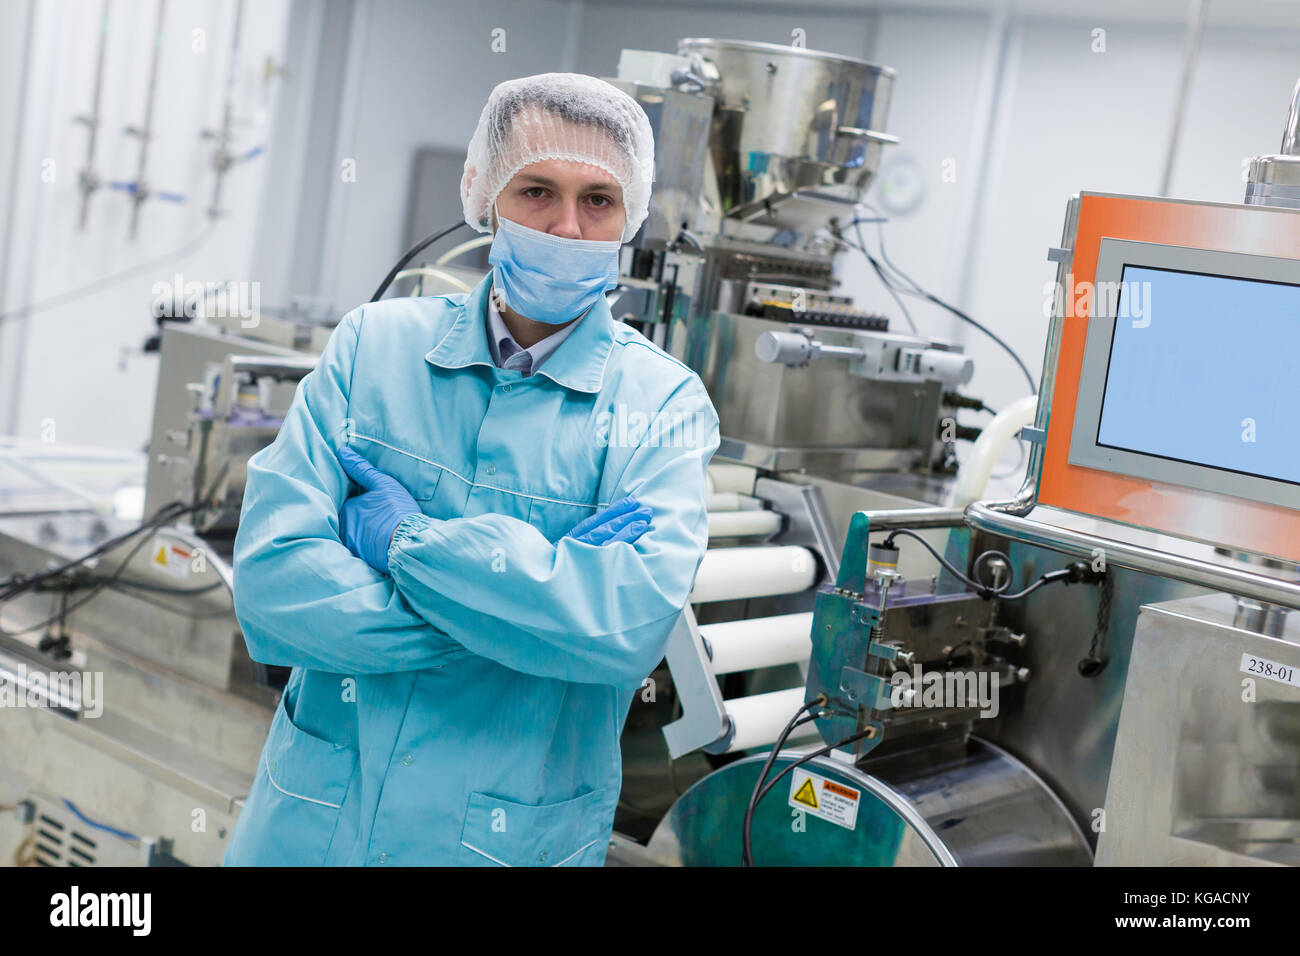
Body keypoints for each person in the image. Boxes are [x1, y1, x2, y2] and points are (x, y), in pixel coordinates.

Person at [221, 73, 720, 866]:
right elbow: (276, 589)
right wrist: (524, 614)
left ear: (632, 218)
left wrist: (405, 545)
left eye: (598, 200)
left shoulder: (661, 405)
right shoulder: (372, 348)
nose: (566, 225)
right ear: (482, 193)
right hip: (310, 833)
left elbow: (622, 633)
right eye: (536, 191)